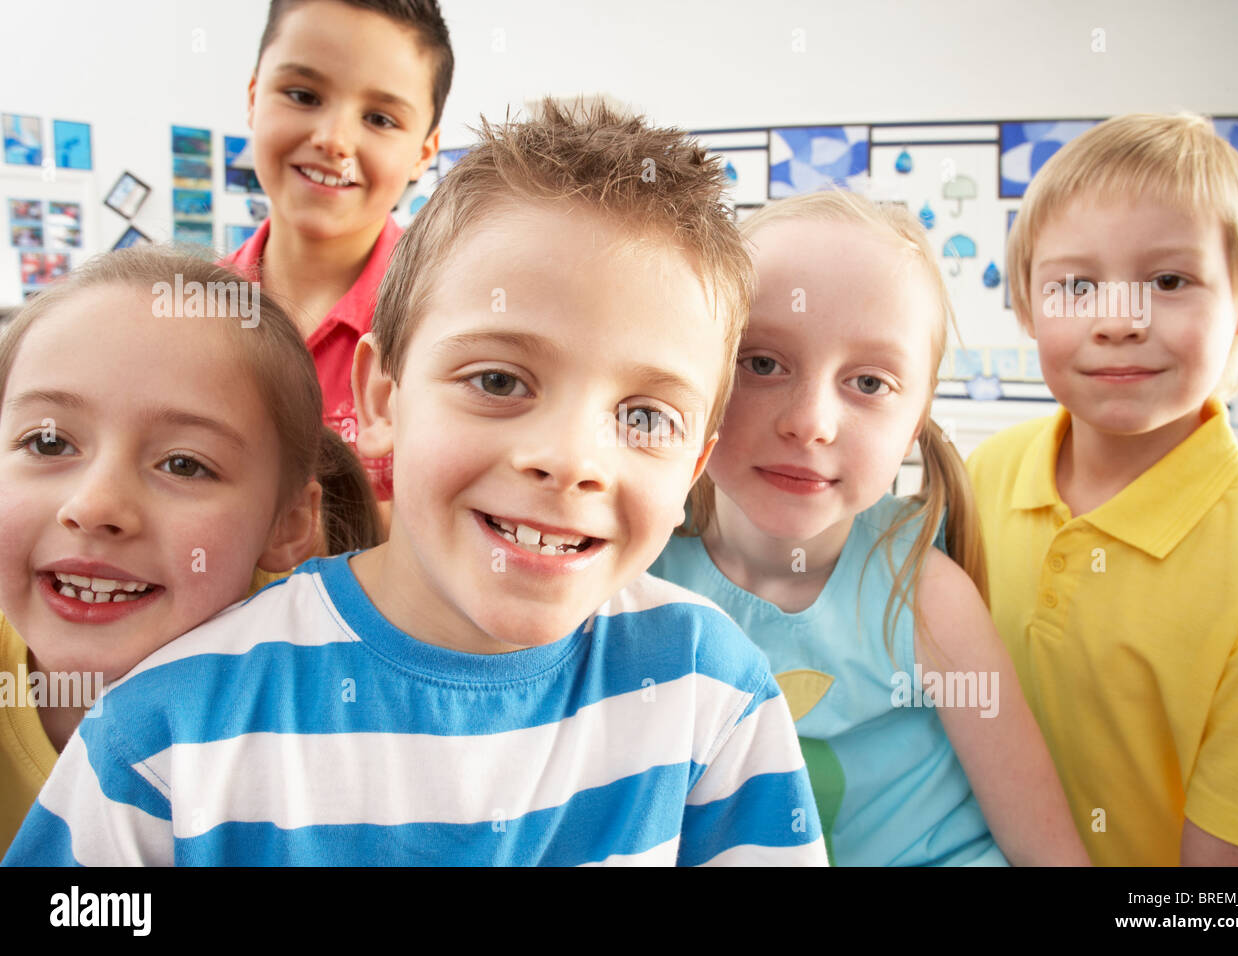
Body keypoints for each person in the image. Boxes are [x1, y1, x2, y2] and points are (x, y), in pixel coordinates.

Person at [4, 102, 826, 867]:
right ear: (382, 398)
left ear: (693, 465)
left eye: (646, 417)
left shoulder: (709, 686)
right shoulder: (164, 732)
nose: (571, 459)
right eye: (500, 381)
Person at [651, 190, 1088, 866]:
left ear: (915, 421)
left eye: (869, 383)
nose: (811, 422)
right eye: (762, 363)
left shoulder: (926, 596)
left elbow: (1047, 849)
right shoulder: (640, 571)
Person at [966, 113, 1238, 866]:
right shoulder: (986, 473)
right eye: (1075, 285)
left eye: (1170, 280)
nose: (1118, 320)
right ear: (1025, 307)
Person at [0, 249, 327, 854]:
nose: (94, 506)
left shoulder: (326, 732)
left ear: (286, 524)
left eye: (184, 464)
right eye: (48, 442)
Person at [225, 0, 454, 522]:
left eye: (379, 118)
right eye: (303, 95)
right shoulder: (183, 314)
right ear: (255, 98)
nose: (333, 139)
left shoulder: (453, 321)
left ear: (424, 151)